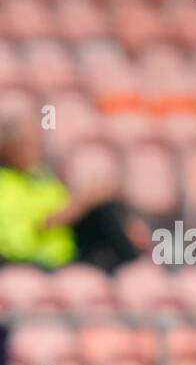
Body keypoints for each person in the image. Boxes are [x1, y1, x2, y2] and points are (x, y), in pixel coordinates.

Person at [0, 113, 137, 272]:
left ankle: (133, 267)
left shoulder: (41, 177)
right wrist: (83, 202)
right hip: (31, 260)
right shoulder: (5, 182)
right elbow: (36, 228)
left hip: (63, 253)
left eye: (38, 145)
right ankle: (131, 264)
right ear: (9, 146)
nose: (36, 151)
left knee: (103, 207)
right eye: (28, 144)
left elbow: (65, 205)